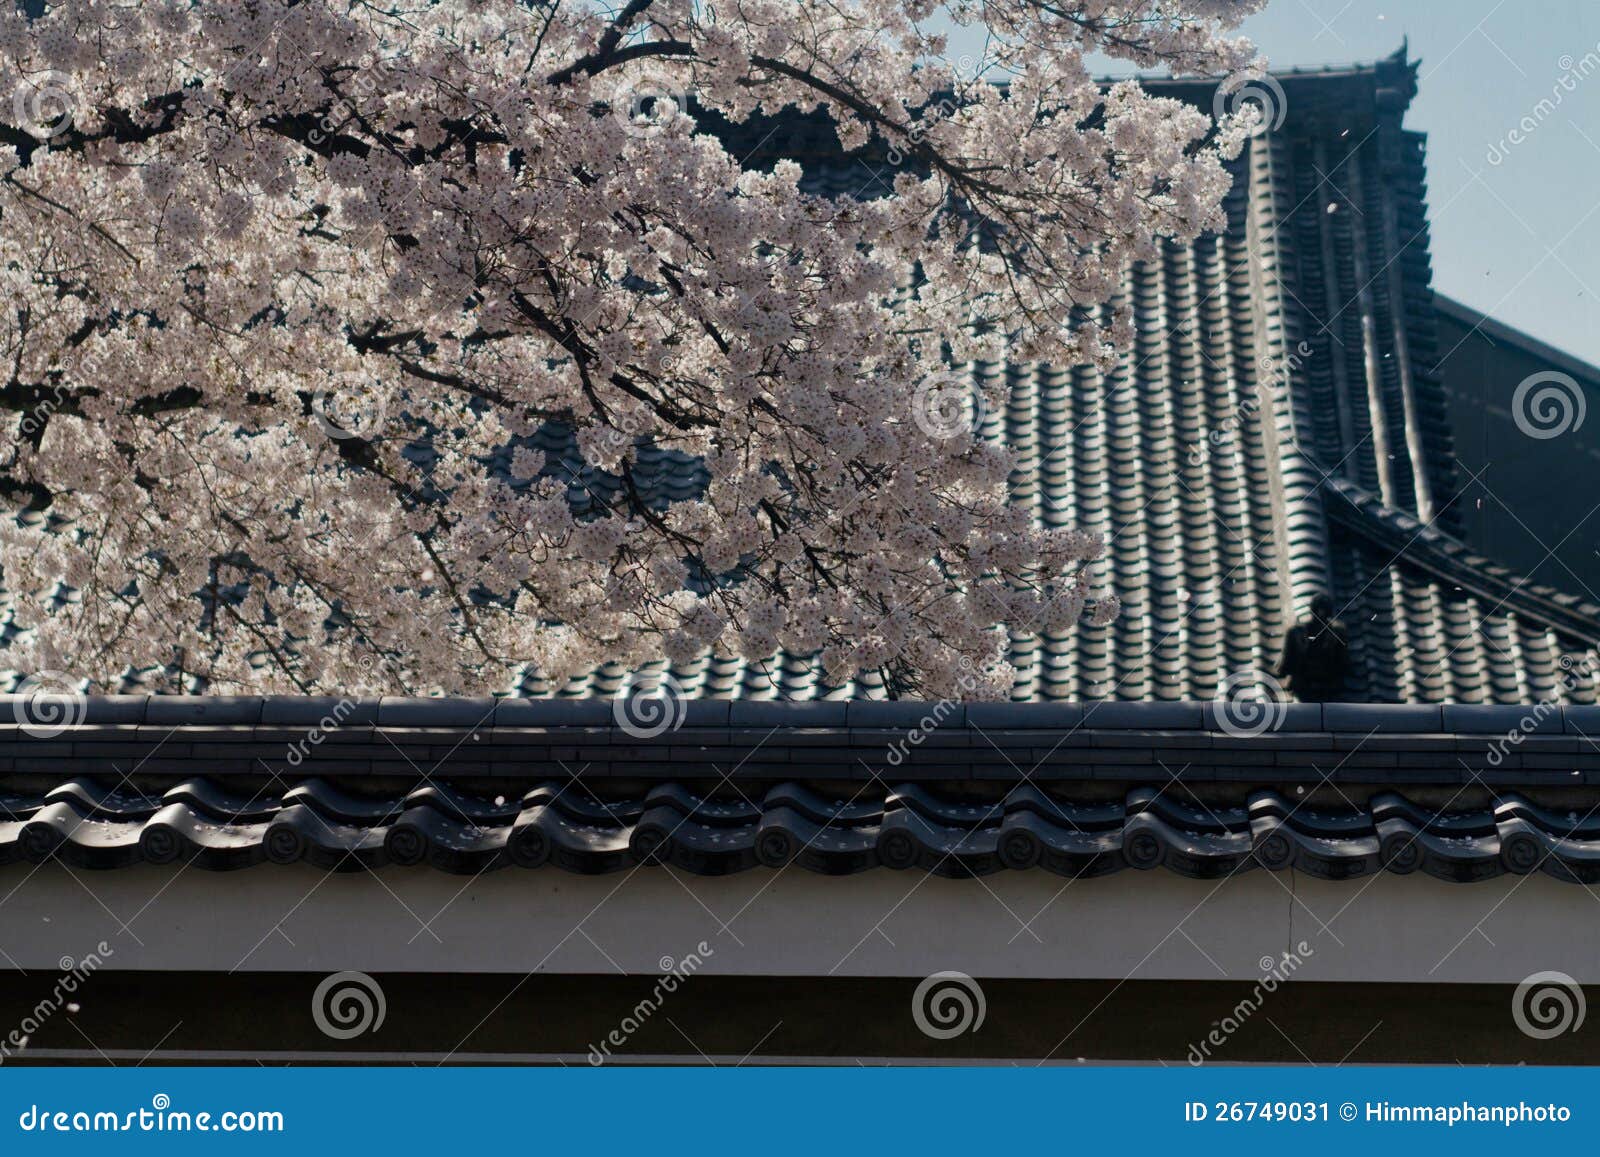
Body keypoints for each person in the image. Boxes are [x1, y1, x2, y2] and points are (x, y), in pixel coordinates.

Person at [1276, 594, 1349, 702]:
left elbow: (1344, 666)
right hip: (1305, 691)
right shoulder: (1296, 633)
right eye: (1319, 611)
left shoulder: (1337, 634)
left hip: (1327, 691)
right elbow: (1283, 668)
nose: (1321, 614)